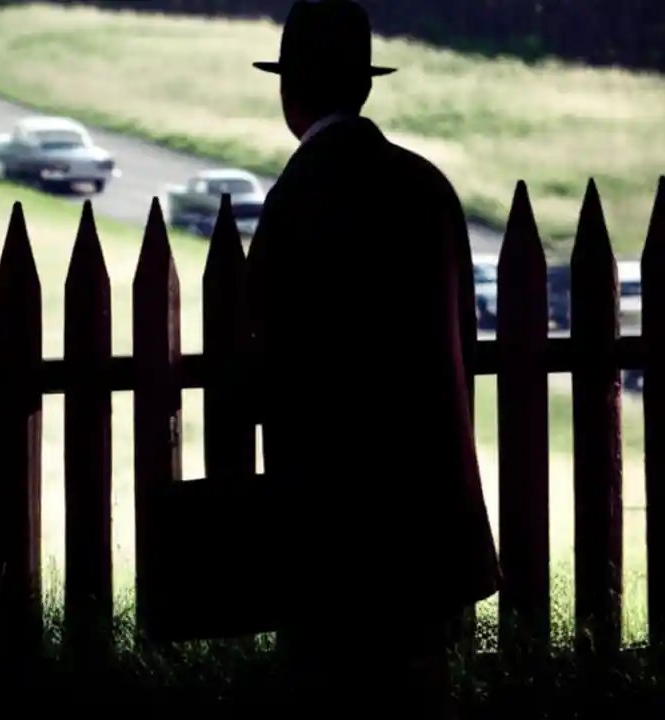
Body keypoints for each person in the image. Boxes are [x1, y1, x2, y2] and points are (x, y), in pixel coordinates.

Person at [246, 0, 503, 716]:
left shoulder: (297, 197)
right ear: (364, 86)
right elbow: (462, 344)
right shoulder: (427, 186)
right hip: (434, 530)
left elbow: (268, 359)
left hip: (336, 542)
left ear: (289, 90)